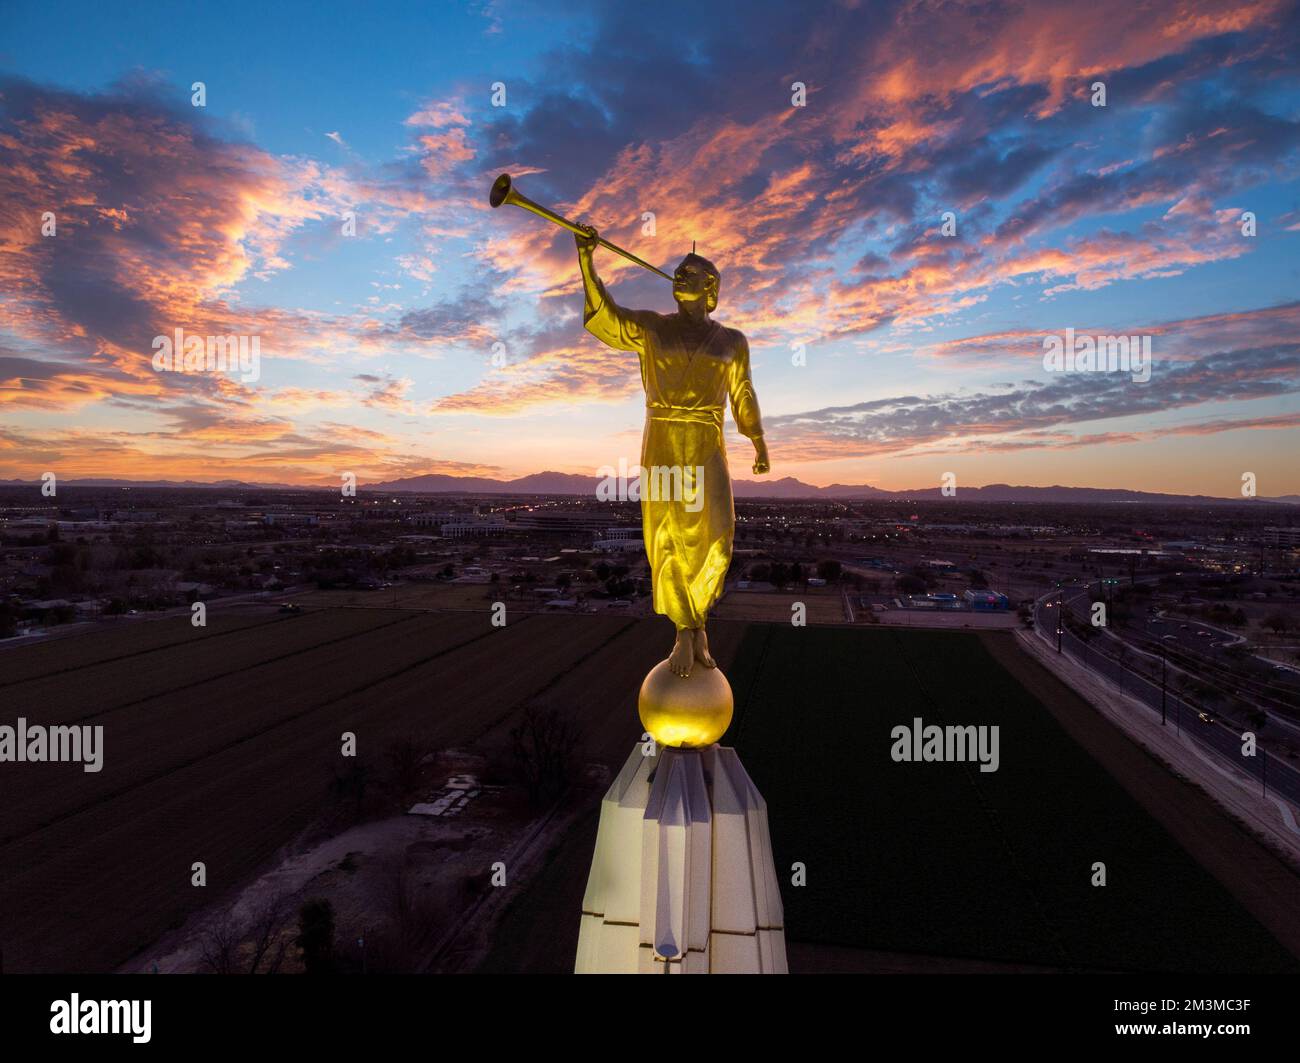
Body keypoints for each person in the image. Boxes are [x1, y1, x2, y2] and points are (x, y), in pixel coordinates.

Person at [576, 225, 769, 678]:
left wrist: (757, 439)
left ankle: (697, 617)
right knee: (667, 533)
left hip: (707, 442)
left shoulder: (732, 341)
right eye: (678, 273)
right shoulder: (652, 329)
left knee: (717, 537)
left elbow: (743, 392)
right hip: (662, 438)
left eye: (692, 273)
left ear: (711, 288)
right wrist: (587, 262)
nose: (680, 278)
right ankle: (687, 628)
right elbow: (608, 318)